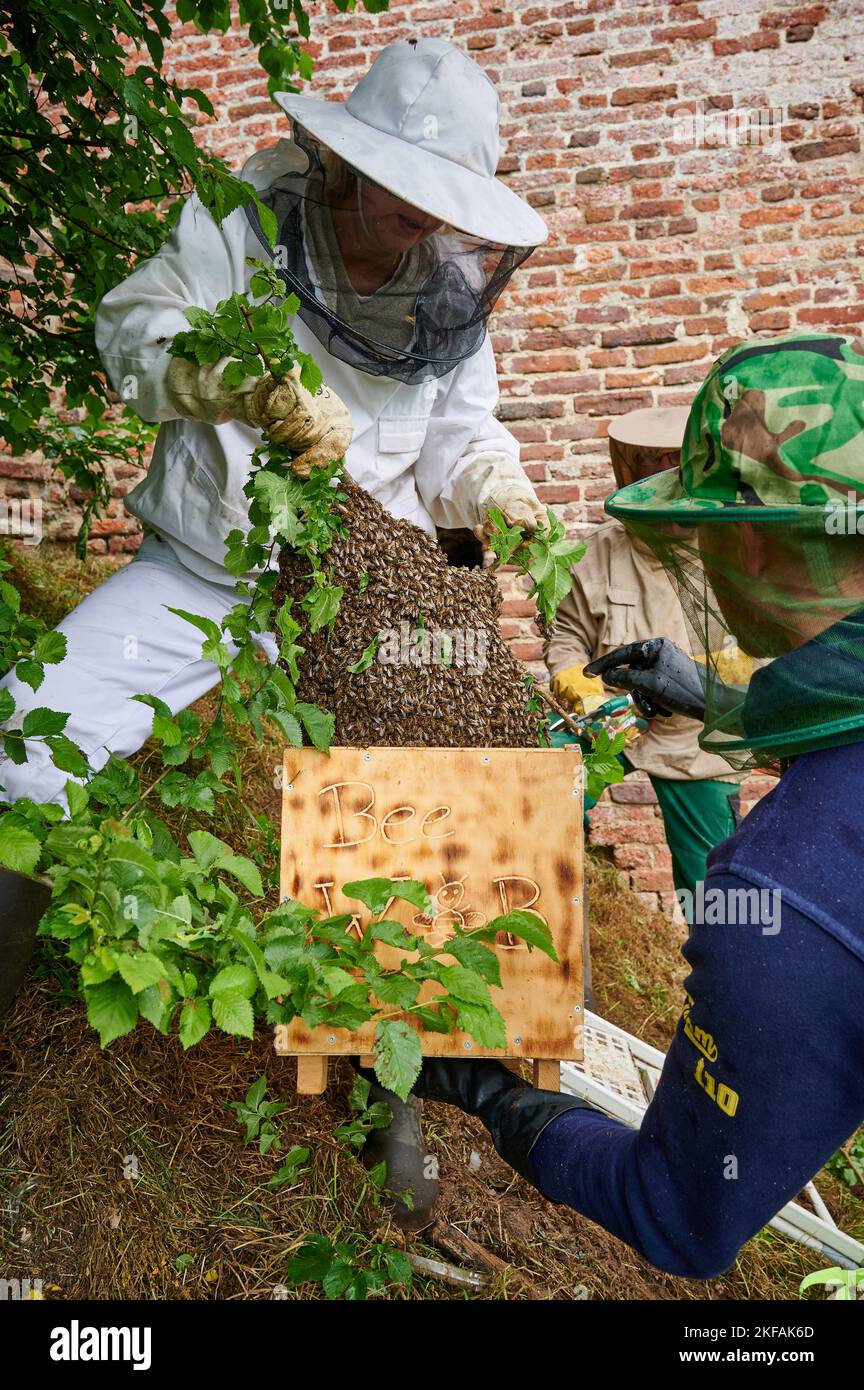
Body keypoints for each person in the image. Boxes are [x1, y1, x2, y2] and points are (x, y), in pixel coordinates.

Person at [0, 39, 548, 1226]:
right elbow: (130, 332)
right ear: (341, 165)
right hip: (209, 569)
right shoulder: (242, 222)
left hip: (360, 586)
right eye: (398, 207)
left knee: (418, 819)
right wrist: (233, 379)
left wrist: (499, 488)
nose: (411, 234)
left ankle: (389, 1097)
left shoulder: (450, 288)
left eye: (434, 217)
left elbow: (461, 439)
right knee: (19, 746)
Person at [405, 333, 864, 1277]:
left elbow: (679, 1215)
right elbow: (569, 643)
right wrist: (660, 690)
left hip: (717, 812)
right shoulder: (595, 563)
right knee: (546, 835)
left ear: (735, 542)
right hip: (627, 733)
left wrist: (502, 1100)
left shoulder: (789, 898)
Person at [545, 406, 742, 901]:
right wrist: (574, 677)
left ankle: (718, 966)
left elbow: (780, 640)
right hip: (610, 720)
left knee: (711, 884)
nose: (661, 474)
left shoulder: (738, 547)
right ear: (628, 467)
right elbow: (568, 628)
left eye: (672, 462)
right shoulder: (599, 551)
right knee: (536, 804)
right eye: (649, 462)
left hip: (700, 736)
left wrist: (731, 671)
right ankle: (538, 911)